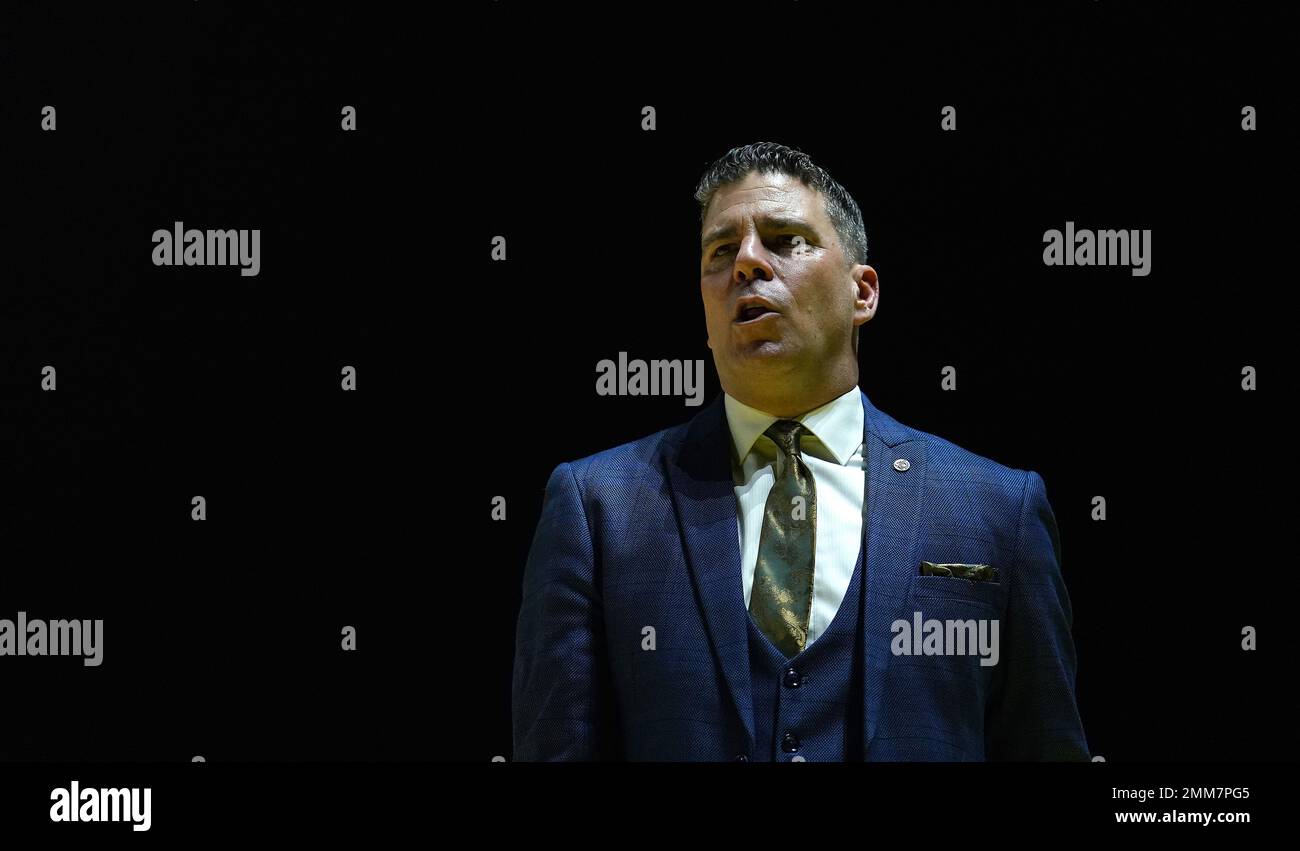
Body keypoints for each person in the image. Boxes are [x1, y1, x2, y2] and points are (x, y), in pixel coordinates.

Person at [511, 142, 1088, 761]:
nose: (746, 264)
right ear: (704, 311)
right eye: (720, 251)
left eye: (785, 240)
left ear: (862, 292)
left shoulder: (997, 508)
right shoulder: (600, 505)